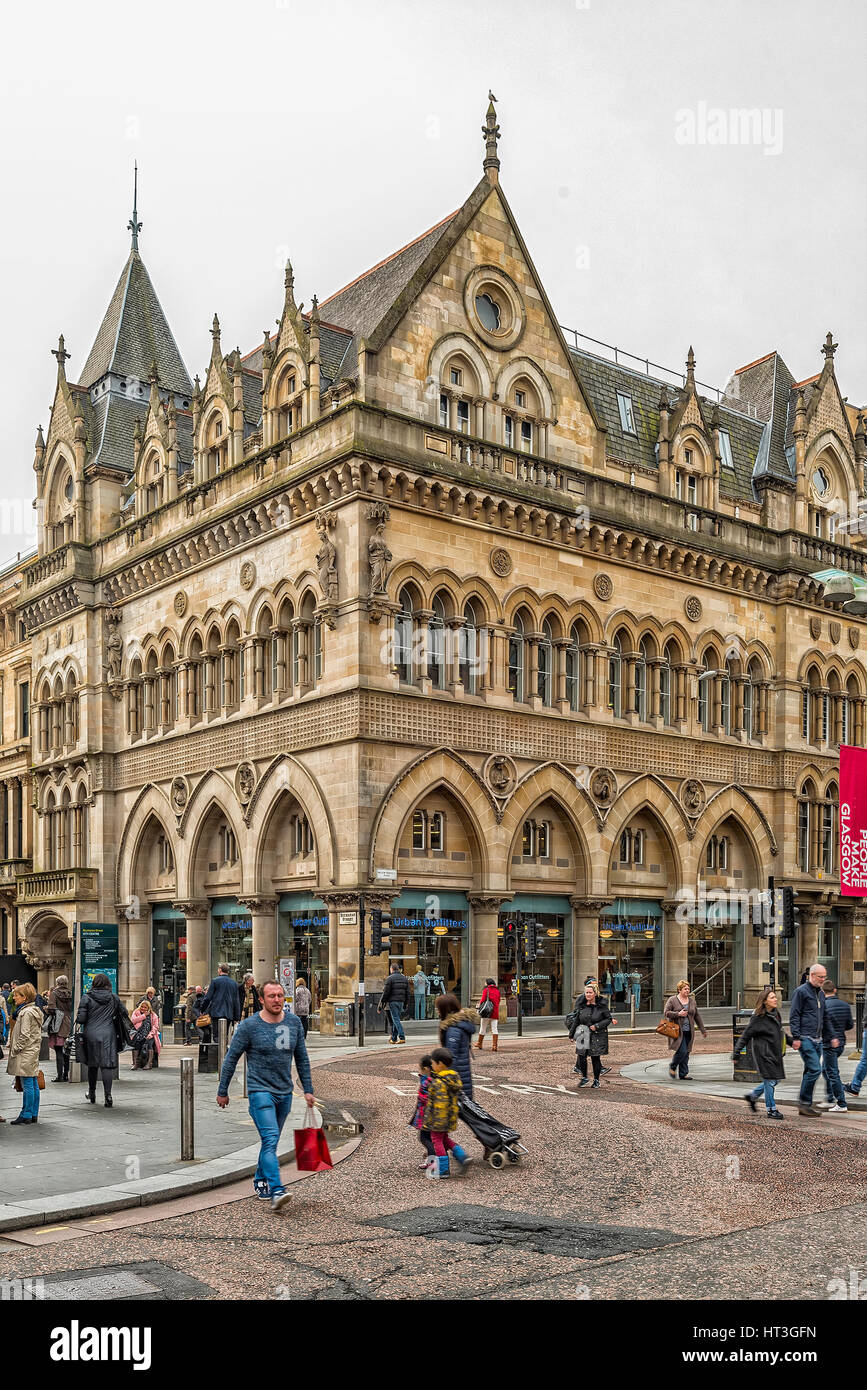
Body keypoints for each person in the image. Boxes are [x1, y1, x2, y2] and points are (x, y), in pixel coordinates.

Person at [216, 979, 315, 1212]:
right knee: (270, 1139)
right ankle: (277, 1189)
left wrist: (308, 1090)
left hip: (285, 1092)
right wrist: (223, 1091)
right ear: (261, 999)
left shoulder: (294, 1023)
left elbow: (302, 1058)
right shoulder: (249, 1026)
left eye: (280, 995)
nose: (277, 1000)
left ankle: (260, 1179)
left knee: (271, 1141)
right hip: (260, 1092)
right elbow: (231, 1058)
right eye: (272, 996)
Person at [76, 971, 132, 1108]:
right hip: (108, 1033)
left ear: (94, 983)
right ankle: (108, 1095)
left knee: (92, 1064)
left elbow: (81, 1019)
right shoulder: (114, 998)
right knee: (107, 1065)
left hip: (91, 1033)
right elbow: (124, 1013)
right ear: (108, 984)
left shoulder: (86, 997)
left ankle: (92, 1093)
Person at [732, 986, 785, 1119]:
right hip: (763, 1054)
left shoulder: (776, 1014)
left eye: (775, 996)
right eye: (772, 997)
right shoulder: (757, 1018)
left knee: (775, 1079)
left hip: (774, 1052)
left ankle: (753, 1096)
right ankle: (771, 1109)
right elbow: (745, 1036)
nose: (775, 999)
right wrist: (736, 1053)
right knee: (769, 1080)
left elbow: (780, 1031)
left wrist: (792, 1041)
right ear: (765, 1001)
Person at [421, 1046, 472, 1178]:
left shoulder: (438, 1082)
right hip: (449, 1117)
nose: (432, 1066)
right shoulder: (452, 1079)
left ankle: (443, 1170)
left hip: (439, 1119)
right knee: (445, 1139)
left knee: (436, 1141)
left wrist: (429, 1121)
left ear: (440, 1064)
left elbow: (437, 1104)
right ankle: (462, 1157)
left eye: (433, 1063)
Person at [789, 962, 827, 1118]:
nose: (823, 979)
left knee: (809, 1071)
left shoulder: (821, 993)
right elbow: (794, 1015)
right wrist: (796, 1037)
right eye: (820, 977)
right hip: (805, 1038)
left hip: (818, 1039)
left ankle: (805, 1105)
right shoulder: (801, 992)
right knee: (815, 1069)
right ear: (811, 975)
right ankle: (804, 1103)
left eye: (824, 977)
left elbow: (823, 1016)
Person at [6, 983, 43, 1125]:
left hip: (25, 1052)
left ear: (24, 997)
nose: (14, 997)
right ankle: (33, 1113)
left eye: (16, 995)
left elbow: (24, 1034)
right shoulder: (34, 1010)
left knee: (28, 1082)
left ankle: (26, 1114)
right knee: (32, 1082)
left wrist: (16, 1048)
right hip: (31, 1051)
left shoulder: (26, 1012)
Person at [569, 981, 612, 1087]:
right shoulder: (581, 1006)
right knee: (582, 1056)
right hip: (582, 1032)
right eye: (586, 993)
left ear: (595, 994)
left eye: (590, 993)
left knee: (595, 1057)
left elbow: (608, 1019)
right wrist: (572, 1034)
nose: (587, 995)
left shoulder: (602, 1006)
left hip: (597, 1034)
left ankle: (596, 1080)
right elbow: (577, 1021)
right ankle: (584, 1078)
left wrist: (597, 1026)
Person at [436, 992, 478, 1099]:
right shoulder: (458, 1025)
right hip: (462, 1077)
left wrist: (448, 1081)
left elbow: (451, 1057)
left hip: (457, 1080)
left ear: (446, 1009)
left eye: (439, 1008)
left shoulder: (453, 1030)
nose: (437, 1011)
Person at [819, 980, 852, 1113]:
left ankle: (841, 1102)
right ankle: (830, 1097)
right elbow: (850, 1025)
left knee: (832, 1073)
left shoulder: (823, 1006)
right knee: (826, 1070)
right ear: (835, 990)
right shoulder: (845, 1005)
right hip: (841, 1043)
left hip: (829, 1043)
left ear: (822, 992)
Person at [664, 980, 708, 1080]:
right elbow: (666, 1013)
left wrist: (703, 1030)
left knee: (687, 1052)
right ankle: (673, 1066)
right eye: (685, 989)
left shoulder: (692, 1001)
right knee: (682, 1051)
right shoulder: (672, 1000)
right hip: (677, 1031)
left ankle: (683, 1074)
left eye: (688, 989)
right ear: (679, 990)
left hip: (689, 1031)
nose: (687, 990)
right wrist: (678, 1014)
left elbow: (697, 1016)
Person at [408, 1054, 436, 1168]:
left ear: (426, 1069)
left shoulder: (427, 1082)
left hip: (427, 1115)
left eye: (421, 1069)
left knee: (424, 1138)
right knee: (431, 1138)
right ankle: (432, 1158)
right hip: (434, 1114)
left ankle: (432, 1162)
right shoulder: (436, 1079)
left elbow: (424, 1098)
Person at [200, 963, 241, 1039]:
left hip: (216, 1012)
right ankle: (224, 1049)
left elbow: (208, 998)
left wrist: (202, 1009)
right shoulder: (234, 983)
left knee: (217, 1036)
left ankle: (217, 1050)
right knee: (225, 1035)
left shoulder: (215, 981)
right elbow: (236, 1001)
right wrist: (237, 1017)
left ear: (220, 970)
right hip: (229, 1013)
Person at [45, 974, 73, 1082]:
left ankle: (59, 1076)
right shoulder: (71, 993)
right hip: (69, 1023)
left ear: (57, 983)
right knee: (67, 1051)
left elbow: (51, 1008)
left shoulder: (54, 993)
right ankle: (66, 1074)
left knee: (58, 1051)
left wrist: (46, 1008)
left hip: (58, 1024)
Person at [379, 964, 411, 1044]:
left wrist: (381, 1004)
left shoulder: (390, 978)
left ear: (391, 969)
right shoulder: (404, 978)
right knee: (395, 1020)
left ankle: (402, 1036)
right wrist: (406, 1003)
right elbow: (408, 993)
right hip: (401, 1002)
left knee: (396, 1020)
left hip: (393, 1002)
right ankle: (393, 1038)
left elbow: (385, 993)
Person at [130, 999, 162, 1069]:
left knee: (150, 1044)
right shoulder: (136, 1012)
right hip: (138, 1033)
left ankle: (149, 1063)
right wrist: (144, 1015)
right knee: (136, 1044)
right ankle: (135, 1063)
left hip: (150, 1034)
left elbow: (155, 1026)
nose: (143, 1008)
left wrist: (151, 1034)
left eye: (145, 1007)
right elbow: (133, 1021)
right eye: (142, 1007)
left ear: (148, 1008)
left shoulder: (153, 1015)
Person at [475, 977, 501, 1051]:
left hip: (486, 1012)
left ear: (488, 983)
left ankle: (479, 1043)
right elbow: (498, 1001)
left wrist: (478, 1006)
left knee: (483, 1028)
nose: (484, 983)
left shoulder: (486, 990)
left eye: (485, 982)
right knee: (494, 1029)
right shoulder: (497, 991)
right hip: (495, 1012)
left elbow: (483, 1000)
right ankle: (494, 1046)